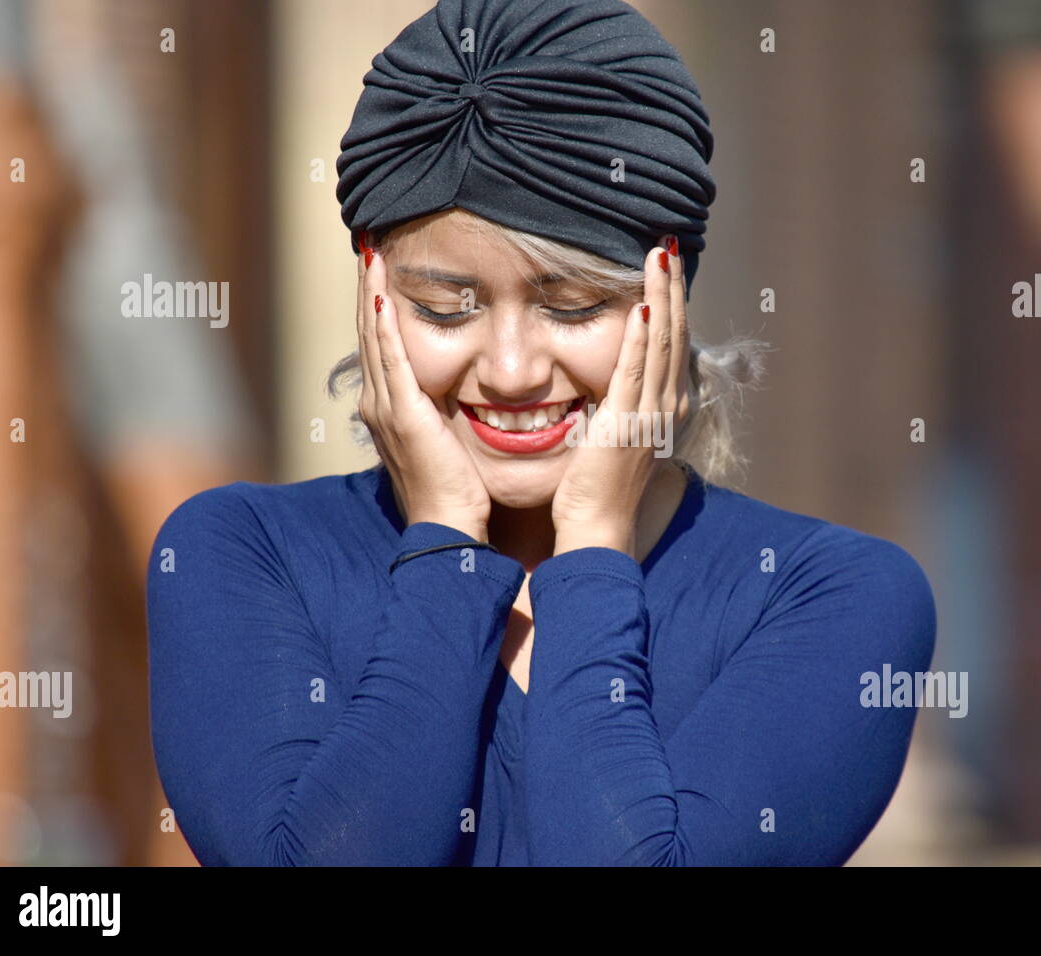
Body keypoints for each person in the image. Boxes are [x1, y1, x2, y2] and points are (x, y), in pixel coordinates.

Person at [146, 0, 935, 866]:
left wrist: (593, 551)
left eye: (573, 306)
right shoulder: (239, 553)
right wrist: (443, 545)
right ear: (372, 295)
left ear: (667, 298)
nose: (513, 369)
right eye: (446, 309)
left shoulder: (831, 596)